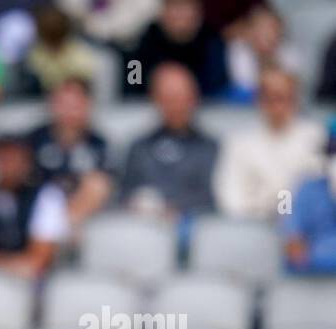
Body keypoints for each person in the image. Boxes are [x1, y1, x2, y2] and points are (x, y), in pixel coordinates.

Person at [213, 67, 325, 220]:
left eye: (283, 98)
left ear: (295, 100)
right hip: (252, 227)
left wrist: (286, 211)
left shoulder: (315, 137)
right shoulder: (239, 142)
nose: (277, 107)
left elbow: (319, 190)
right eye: (269, 98)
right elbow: (230, 195)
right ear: (259, 100)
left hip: (305, 231)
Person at [0, 134, 68, 279]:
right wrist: (10, 266)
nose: (9, 165)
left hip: (35, 278)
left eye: (14, 158)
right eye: (3, 159)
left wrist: (18, 265)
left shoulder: (45, 196)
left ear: (27, 162)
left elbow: (41, 255)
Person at [119, 63, 218, 219]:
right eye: (169, 99)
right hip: (143, 231)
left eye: (182, 98)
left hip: (195, 231)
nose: (176, 106)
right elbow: (124, 194)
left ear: (194, 98)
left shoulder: (211, 148)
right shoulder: (139, 147)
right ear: (155, 99)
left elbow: (214, 197)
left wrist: (174, 209)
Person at [26, 77, 111, 230]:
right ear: (51, 105)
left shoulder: (98, 144)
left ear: (88, 105)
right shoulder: (34, 141)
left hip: (79, 214)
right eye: (62, 104)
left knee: (98, 185)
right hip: (38, 210)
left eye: (75, 105)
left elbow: (104, 185)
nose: (68, 112)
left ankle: (59, 233)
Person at [125, 0, 228, 99]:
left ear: (198, 13)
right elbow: (133, 82)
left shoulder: (212, 42)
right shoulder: (145, 40)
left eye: (186, 8)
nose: (180, 15)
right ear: (164, 11)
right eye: (175, 7)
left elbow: (217, 86)